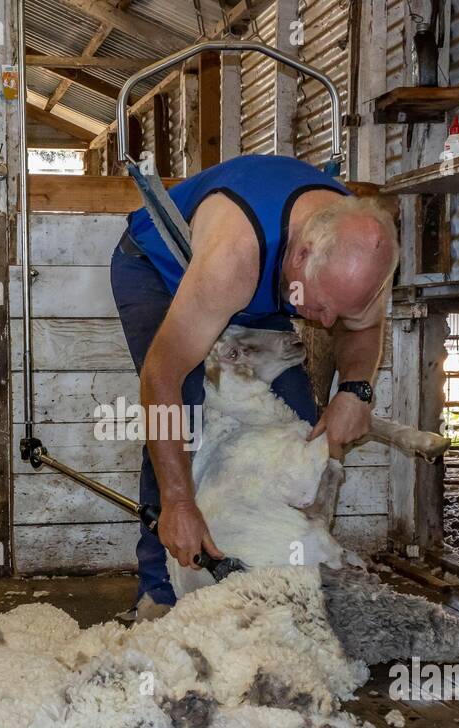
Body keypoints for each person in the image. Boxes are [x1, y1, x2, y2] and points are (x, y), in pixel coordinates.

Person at [110, 153, 400, 617]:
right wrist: (179, 500)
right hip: (160, 268)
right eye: (323, 307)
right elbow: (160, 377)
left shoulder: (361, 256)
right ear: (303, 253)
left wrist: (355, 390)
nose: (325, 324)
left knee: (305, 425)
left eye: (337, 313)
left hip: (271, 286)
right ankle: (159, 589)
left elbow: (361, 328)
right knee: (182, 411)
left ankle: (291, 570)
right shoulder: (235, 256)